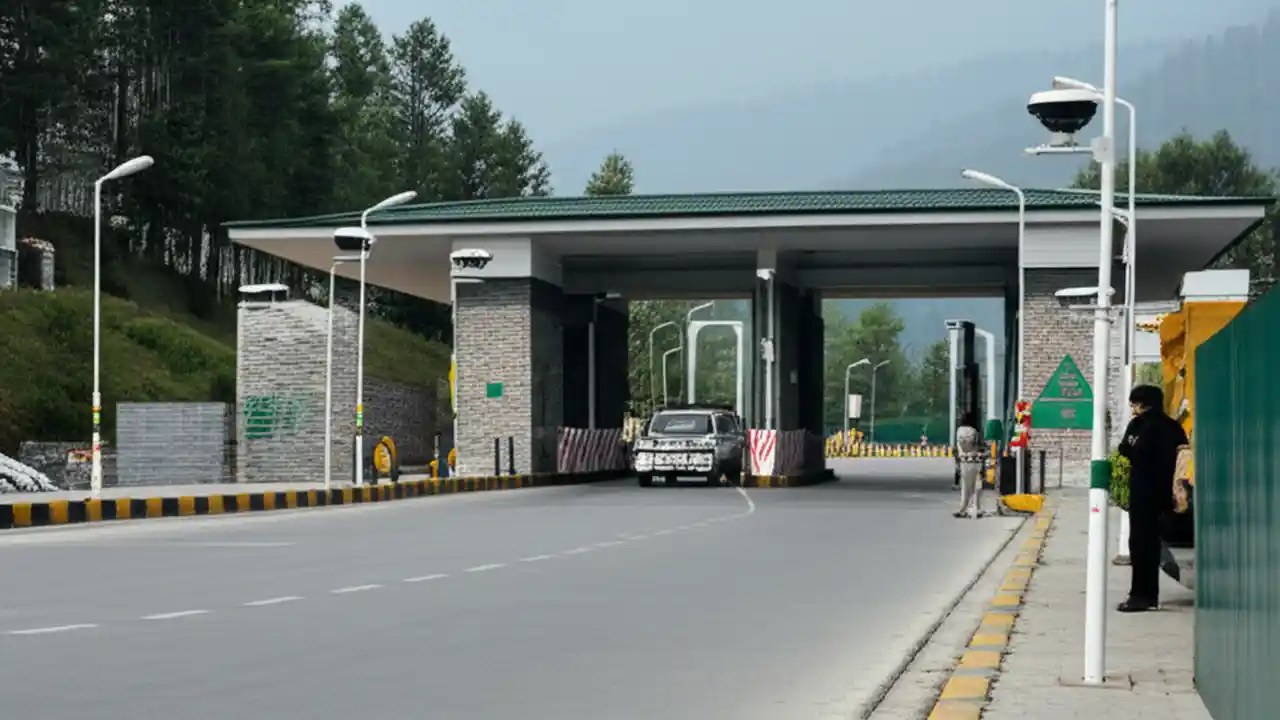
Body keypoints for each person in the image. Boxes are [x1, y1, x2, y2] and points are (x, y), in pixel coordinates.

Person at [1116, 384, 1188, 612]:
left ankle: (1140, 595)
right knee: (1155, 544)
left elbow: (1125, 450)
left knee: (1140, 544)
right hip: (1166, 492)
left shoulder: (1138, 425)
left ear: (1140, 404)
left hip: (1143, 492)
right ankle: (1151, 596)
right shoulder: (1173, 426)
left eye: (1133, 404)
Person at [954, 425, 985, 519]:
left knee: (967, 487)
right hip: (974, 463)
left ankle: (965, 509)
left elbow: (958, 452)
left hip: (967, 463)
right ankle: (974, 508)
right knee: (976, 487)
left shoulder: (960, 431)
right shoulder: (974, 432)